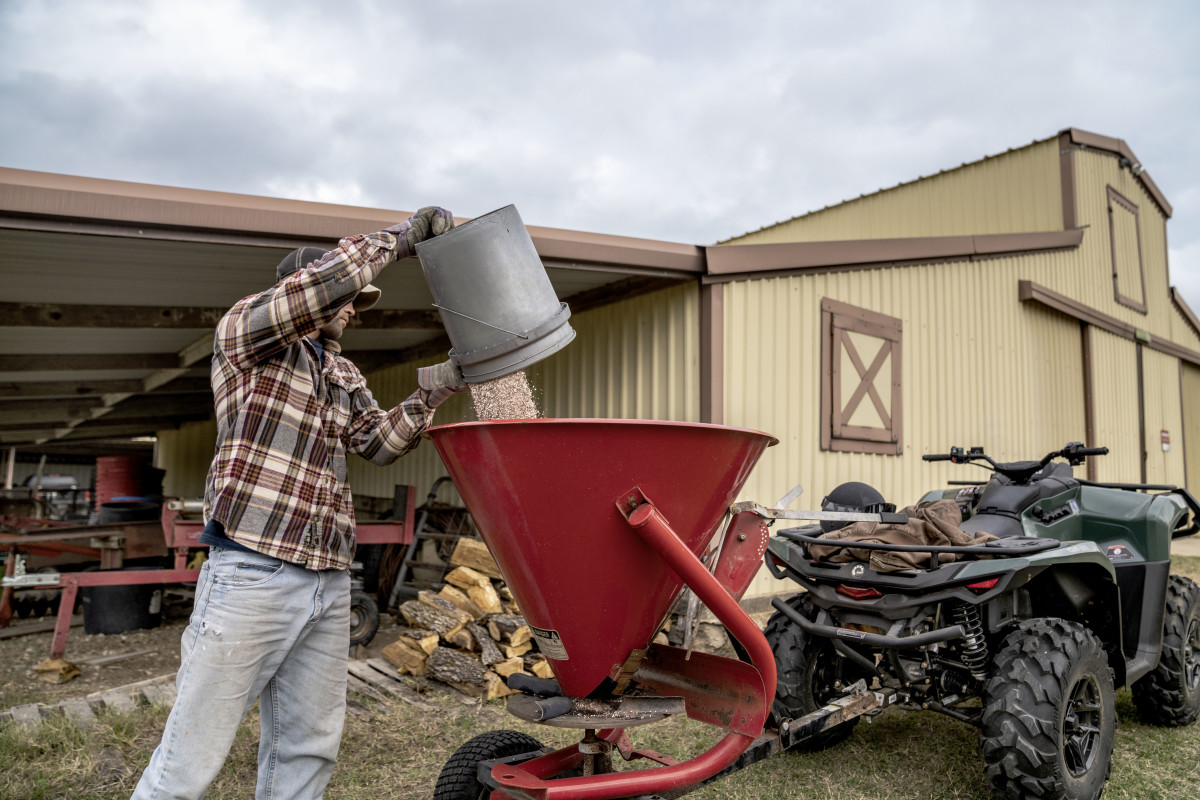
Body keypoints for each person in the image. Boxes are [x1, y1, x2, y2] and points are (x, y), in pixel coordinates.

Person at [131, 206, 464, 800]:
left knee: (308, 745)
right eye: (349, 298)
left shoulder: (342, 372)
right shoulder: (246, 335)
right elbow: (324, 286)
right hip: (252, 570)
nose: (353, 309)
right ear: (305, 290)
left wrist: (432, 393)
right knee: (191, 754)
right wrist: (402, 238)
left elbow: (377, 444)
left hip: (328, 578)